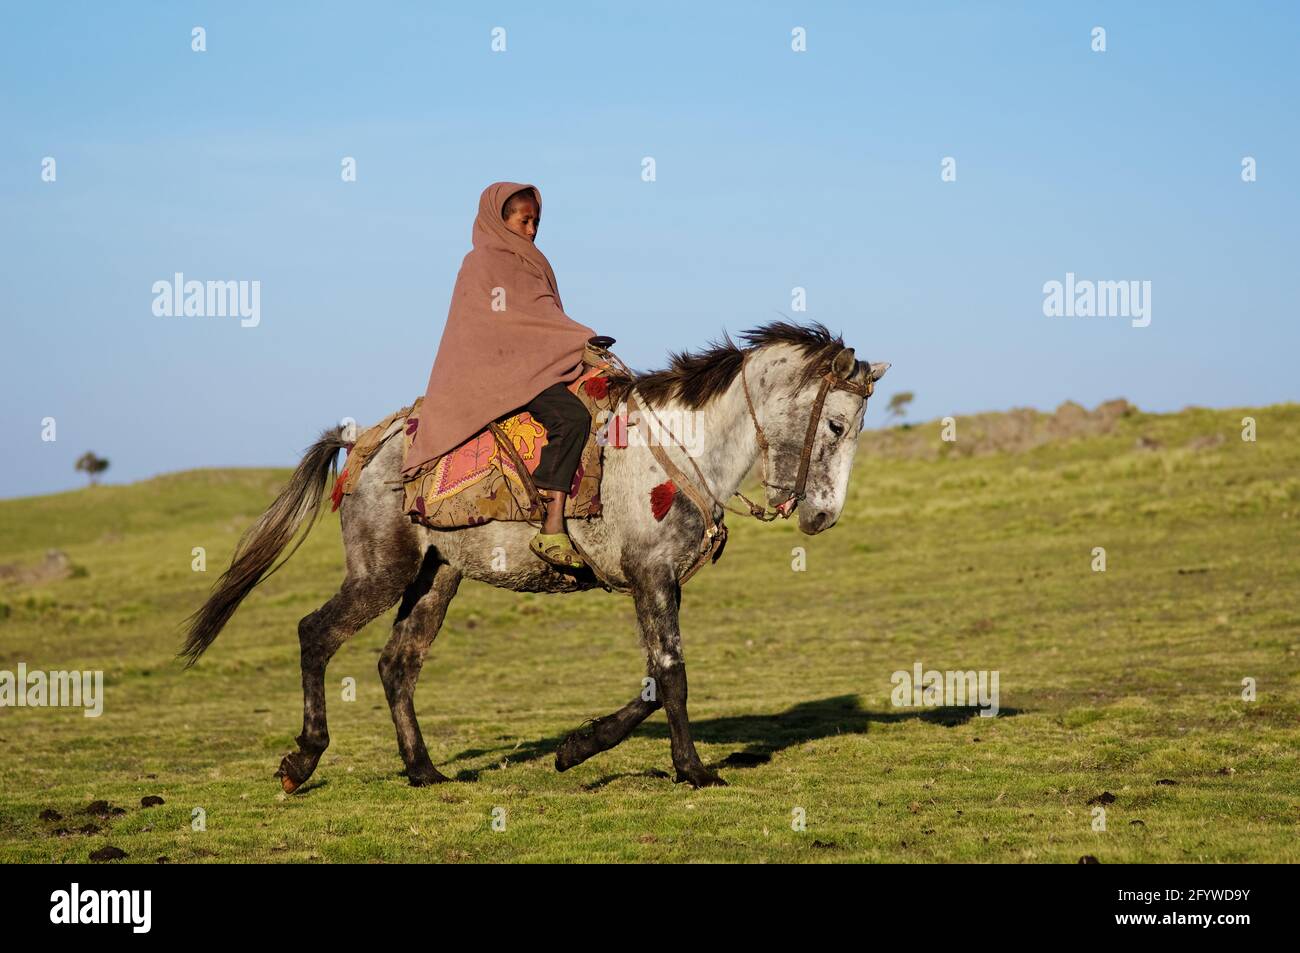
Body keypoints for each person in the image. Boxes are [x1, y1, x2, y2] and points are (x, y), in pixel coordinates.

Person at [403, 182, 595, 570]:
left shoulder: (535, 262)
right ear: (499, 219)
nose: (532, 230)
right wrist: (578, 338)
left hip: (537, 367)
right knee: (572, 417)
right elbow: (493, 328)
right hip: (501, 375)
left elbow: (542, 320)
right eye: (524, 221)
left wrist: (577, 343)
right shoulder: (480, 264)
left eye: (536, 222)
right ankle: (552, 526)